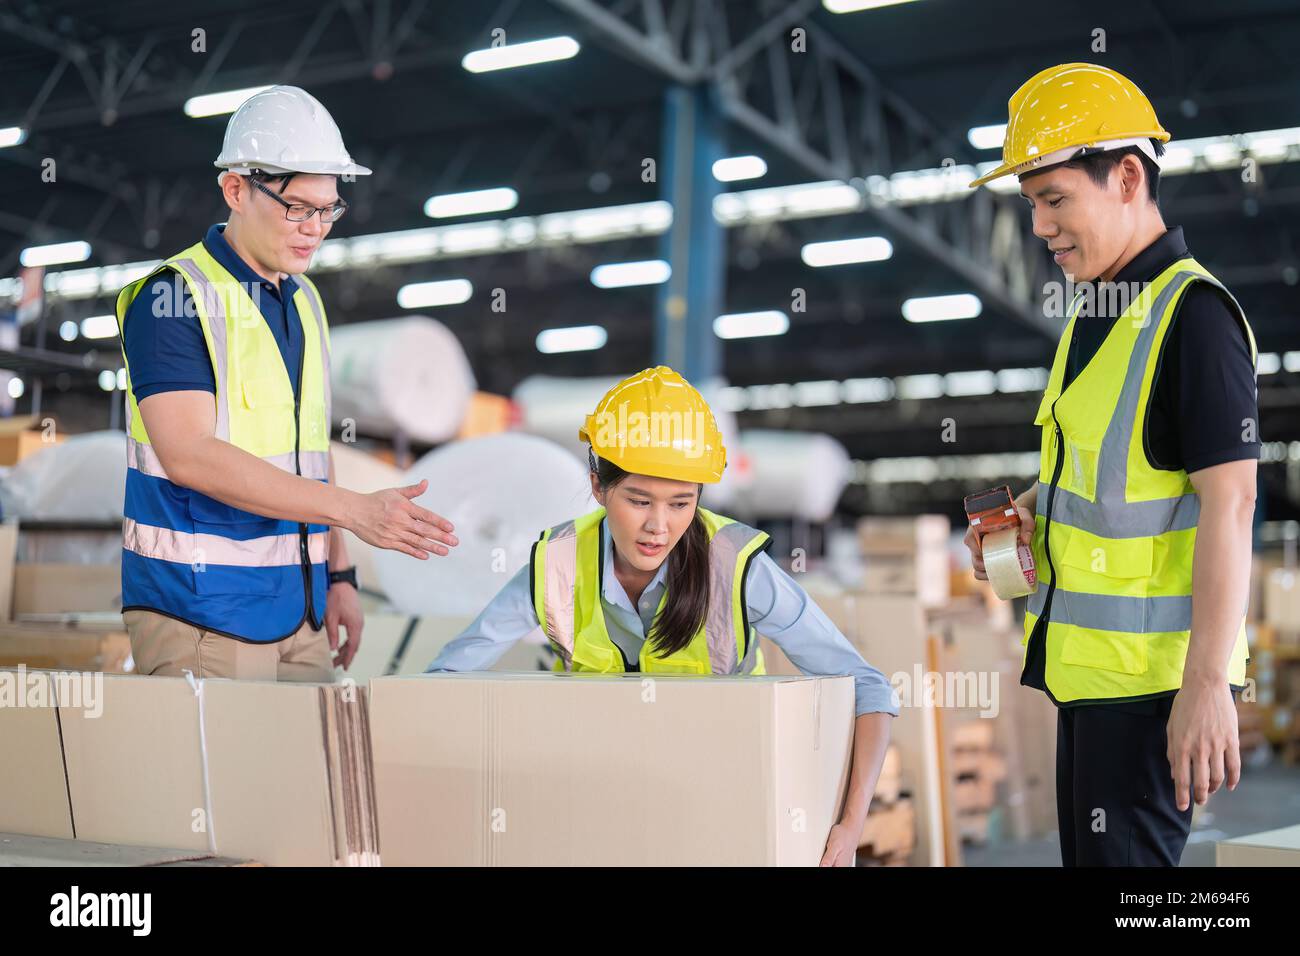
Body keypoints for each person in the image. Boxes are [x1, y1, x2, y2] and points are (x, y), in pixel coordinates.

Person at [428, 366, 898, 866]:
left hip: (728, 814)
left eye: (680, 503)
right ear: (597, 485)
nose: (659, 525)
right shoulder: (556, 564)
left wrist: (850, 827)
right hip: (604, 816)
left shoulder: (735, 565)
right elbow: (444, 680)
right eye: (638, 500)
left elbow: (868, 689)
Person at [966, 64, 1259, 865]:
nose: (1039, 226)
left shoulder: (1193, 318)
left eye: (1056, 199)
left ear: (1127, 177)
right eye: (1030, 204)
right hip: (1093, 678)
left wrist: (1205, 686)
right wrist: (1034, 507)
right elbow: (1116, 466)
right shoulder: (1098, 310)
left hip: (1152, 686)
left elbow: (1231, 505)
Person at [115, 85, 458, 682]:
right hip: (201, 612)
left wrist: (339, 574)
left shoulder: (304, 301)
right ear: (235, 189)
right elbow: (190, 455)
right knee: (218, 779)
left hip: (300, 610)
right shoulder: (173, 298)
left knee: (308, 775)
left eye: (327, 209)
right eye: (298, 207)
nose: (315, 228)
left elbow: (309, 454)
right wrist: (355, 512)